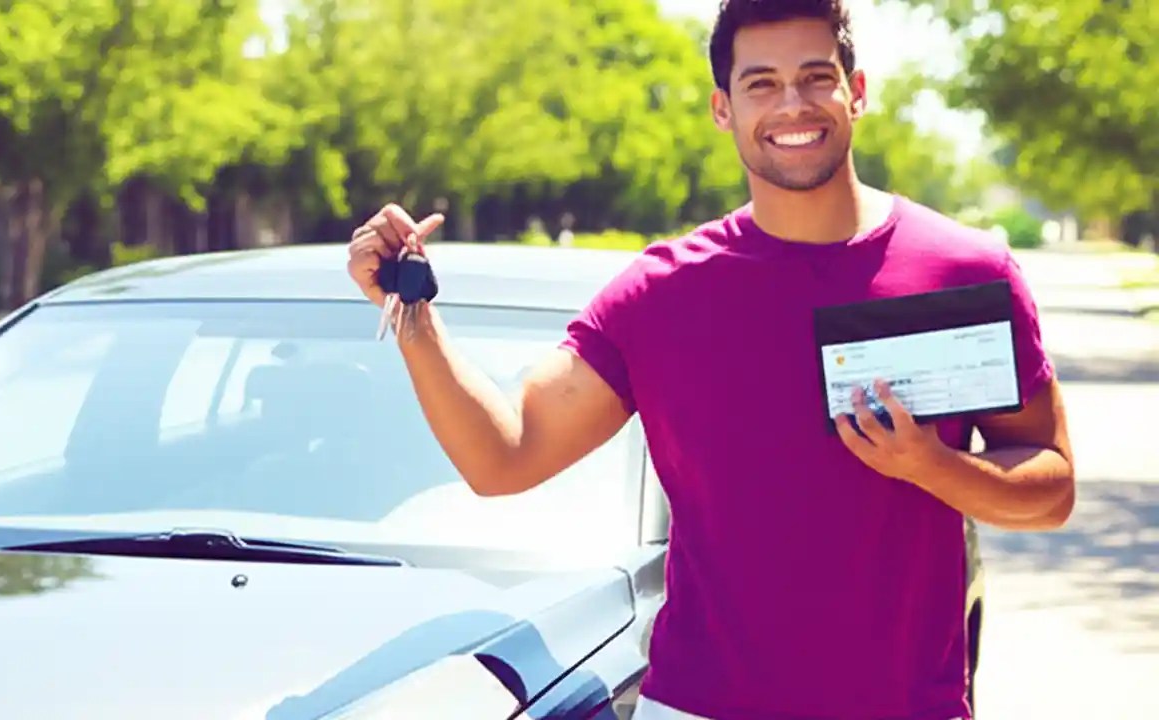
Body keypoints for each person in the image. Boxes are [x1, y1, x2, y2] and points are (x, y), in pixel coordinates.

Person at [345, 1, 1076, 718]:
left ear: (856, 92)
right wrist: (413, 316)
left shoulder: (962, 272)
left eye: (816, 77)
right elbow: (504, 457)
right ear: (723, 108)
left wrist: (932, 466)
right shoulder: (661, 295)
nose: (792, 104)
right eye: (761, 84)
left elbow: (1051, 487)